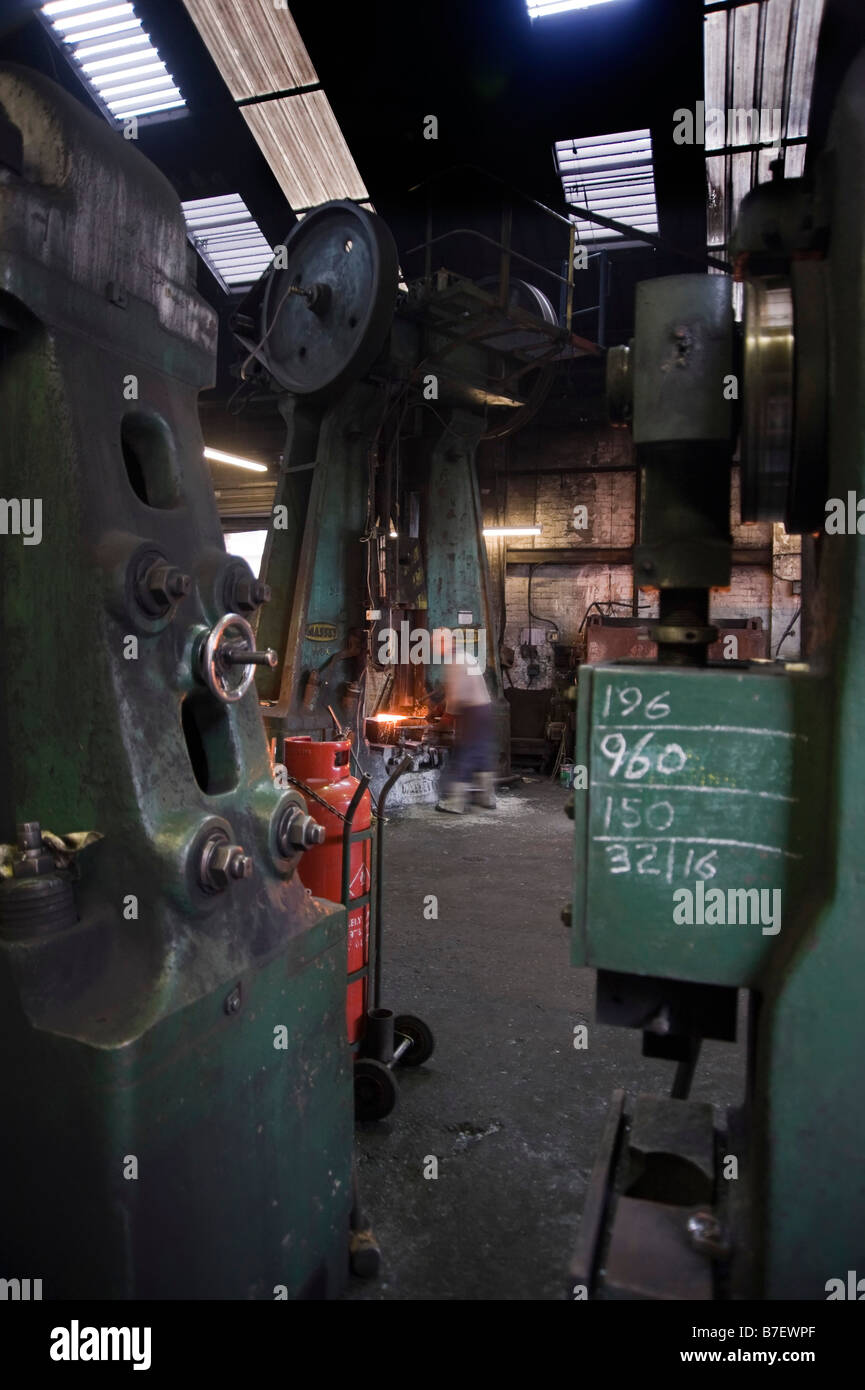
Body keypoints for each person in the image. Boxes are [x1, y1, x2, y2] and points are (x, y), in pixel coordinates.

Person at [431, 629, 496, 814]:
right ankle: (487, 798)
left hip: (472, 712)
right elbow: (467, 688)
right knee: (482, 753)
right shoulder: (467, 656)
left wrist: (440, 725)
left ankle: (455, 803)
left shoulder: (454, 662)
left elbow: (456, 699)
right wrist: (442, 708)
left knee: (464, 753)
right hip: (485, 707)